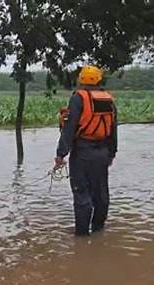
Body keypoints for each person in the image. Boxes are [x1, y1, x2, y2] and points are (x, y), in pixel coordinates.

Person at [55, 65, 117, 236]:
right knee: (101, 193)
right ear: (98, 79)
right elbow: (113, 129)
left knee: (81, 193)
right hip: (103, 152)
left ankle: (82, 236)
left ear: (82, 79)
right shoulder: (108, 99)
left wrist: (61, 154)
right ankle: (98, 230)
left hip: (82, 152)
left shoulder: (78, 98)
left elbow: (70, 127)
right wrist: (112, 153)